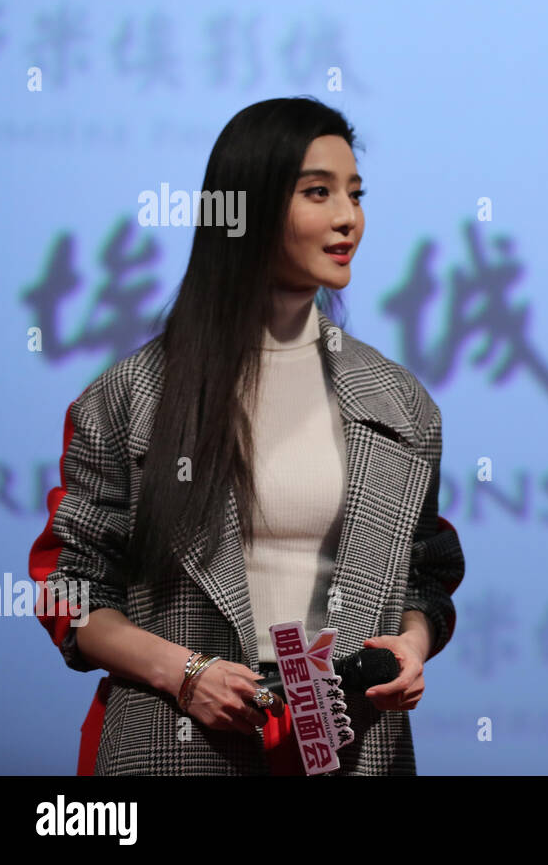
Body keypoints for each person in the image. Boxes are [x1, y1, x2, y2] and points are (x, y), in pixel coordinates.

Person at [29, 97, 465, 775]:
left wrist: (410, 645)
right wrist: (187, 672)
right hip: (175, 744)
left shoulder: (402, 403)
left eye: (354, 194)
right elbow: (71, 586)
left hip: (349, 746)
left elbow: (426, 575)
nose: (348, 217)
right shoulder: (129, 398)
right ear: (250, 207)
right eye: (317, 193)